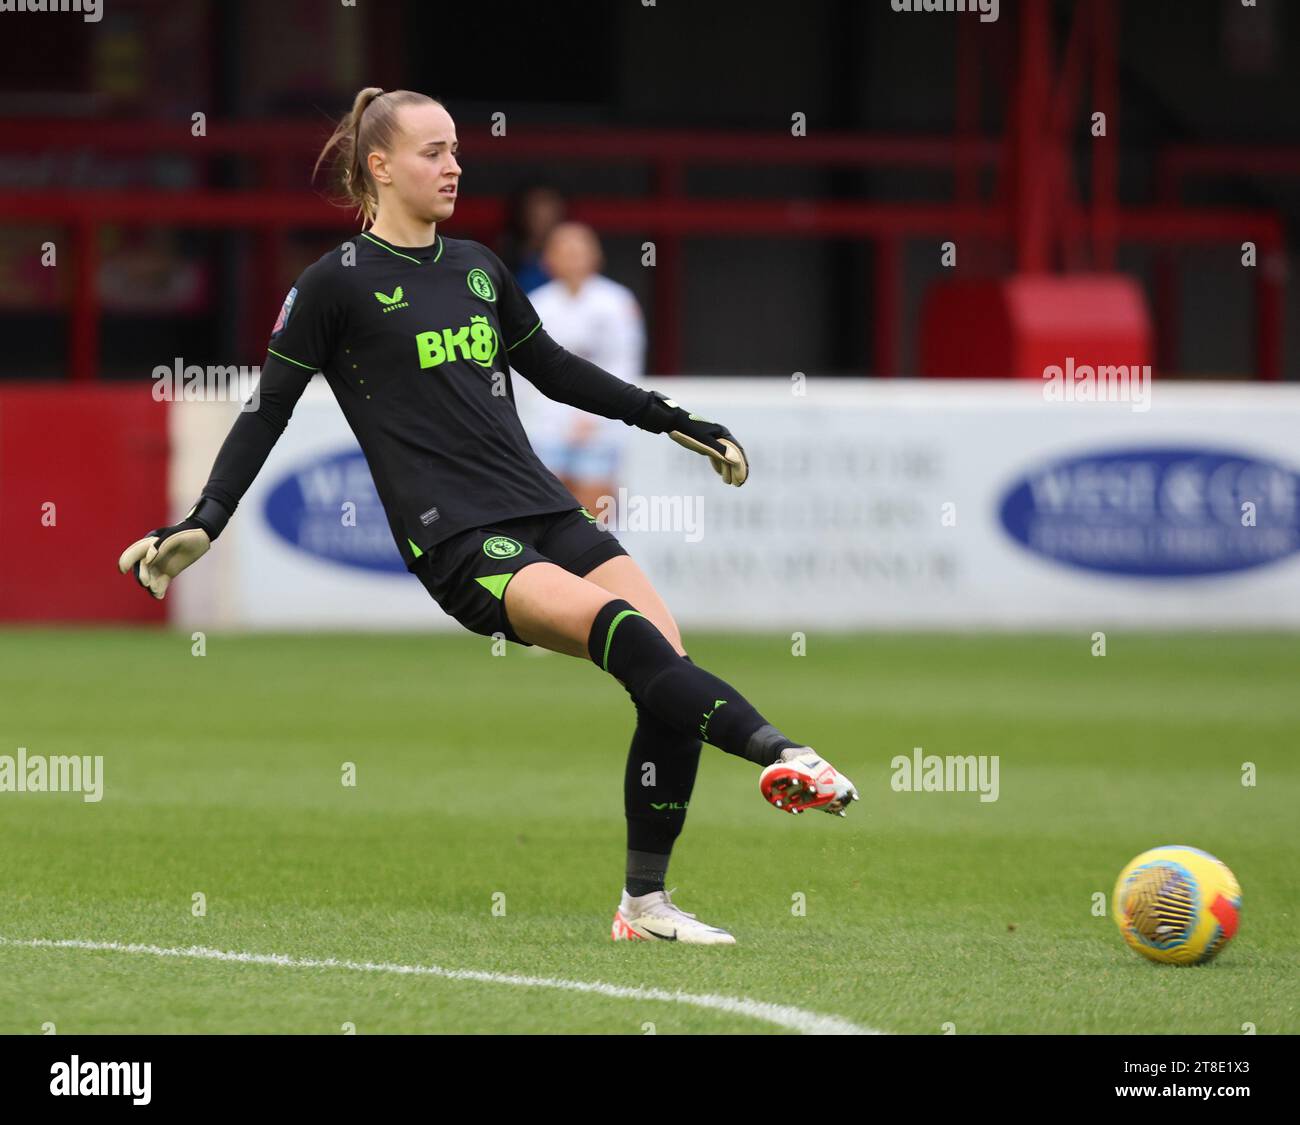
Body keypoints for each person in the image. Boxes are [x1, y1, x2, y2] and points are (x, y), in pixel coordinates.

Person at [116, 88, 858, 945]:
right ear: (379, 166)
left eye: (457, 149)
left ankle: (645, 906)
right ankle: (783, 752)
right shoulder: (333, 285)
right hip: (462, 540)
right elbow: (266, 409)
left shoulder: (477, 266)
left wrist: (672, 417)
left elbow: (553, 367)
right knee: (625, 633)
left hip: (545, 506)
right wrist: (206, 517)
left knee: (667, 660)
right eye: (433, 151)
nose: (455, 165)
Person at [511, 221, 644, 518]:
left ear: (596, 256)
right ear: (548, 259)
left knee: (596, 513)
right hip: (546, 424)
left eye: (579, 249)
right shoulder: (537, 304)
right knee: (549, 510)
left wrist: (597, 415)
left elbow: (623, 363)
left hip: (600, 425)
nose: (572, 257)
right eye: (563, 250)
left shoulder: (616, 302)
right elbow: (522, 370)